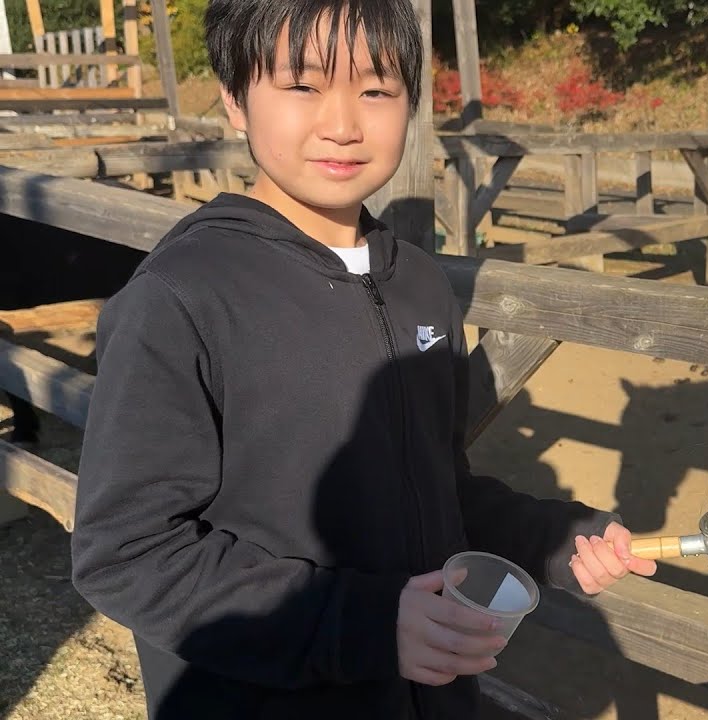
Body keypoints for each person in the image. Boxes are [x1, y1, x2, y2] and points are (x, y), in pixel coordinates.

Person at [68, 1, 657, 718]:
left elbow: (437, 490)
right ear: (233, 99)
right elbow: (127, 551)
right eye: (302, 86)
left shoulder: (418, 283)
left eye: (376, 90)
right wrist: (364, 624)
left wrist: (555, 537)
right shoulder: (181, 298)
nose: (344, 124)